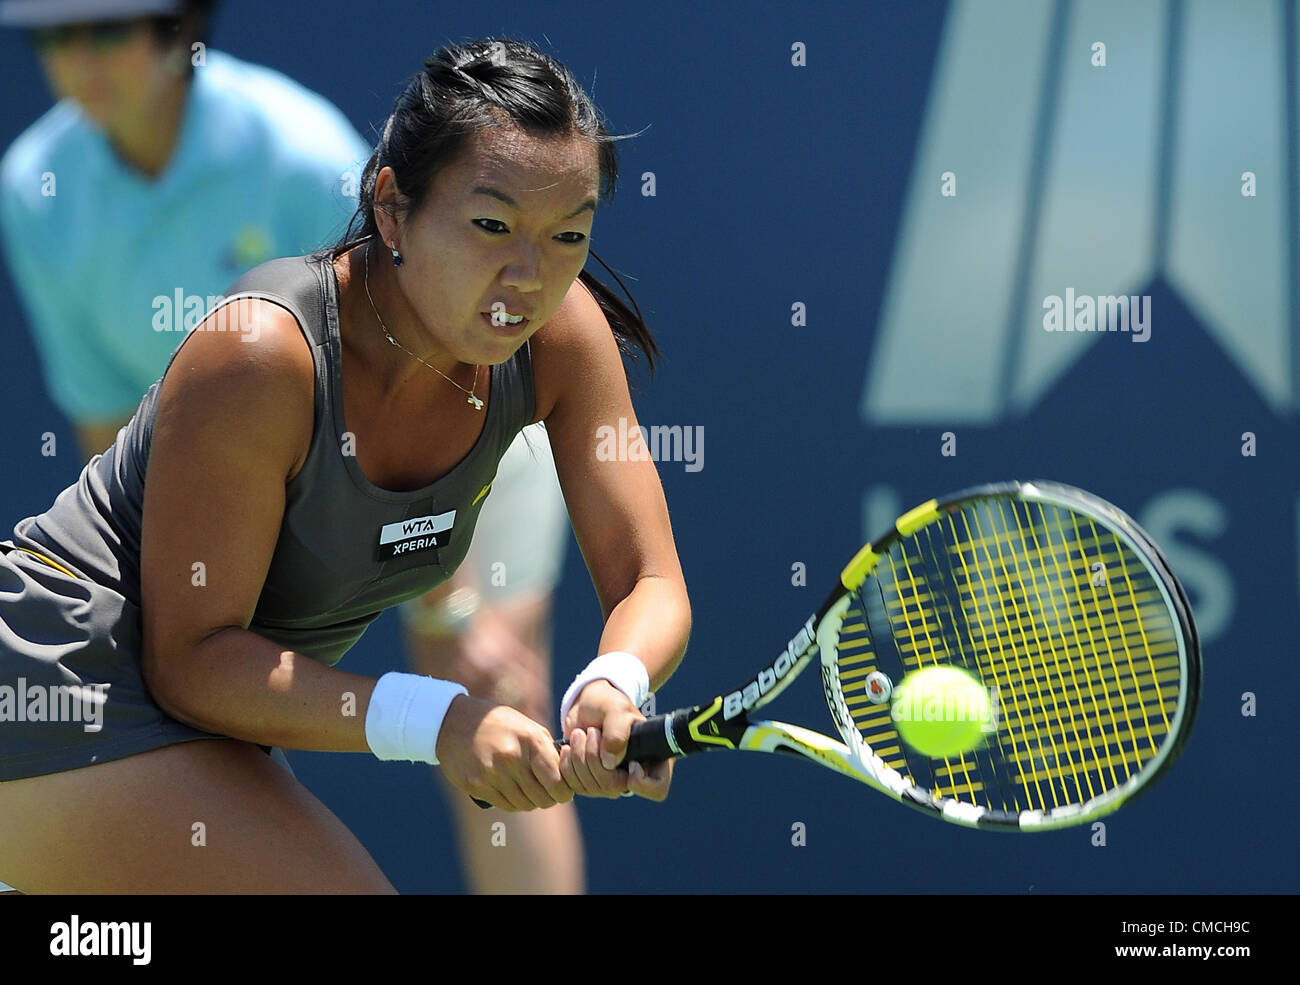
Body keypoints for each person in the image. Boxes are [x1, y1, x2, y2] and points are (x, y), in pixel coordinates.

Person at [0, 35, 690, 893]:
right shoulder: (260, 354)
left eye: (568, 235)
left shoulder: (561, 336)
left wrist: (613, 682)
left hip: (202, 723)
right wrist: (435, 717)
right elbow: (192, 661)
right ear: (392, 207)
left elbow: (650, 579)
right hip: (60, 685)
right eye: (491, 225)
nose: (529, 273)